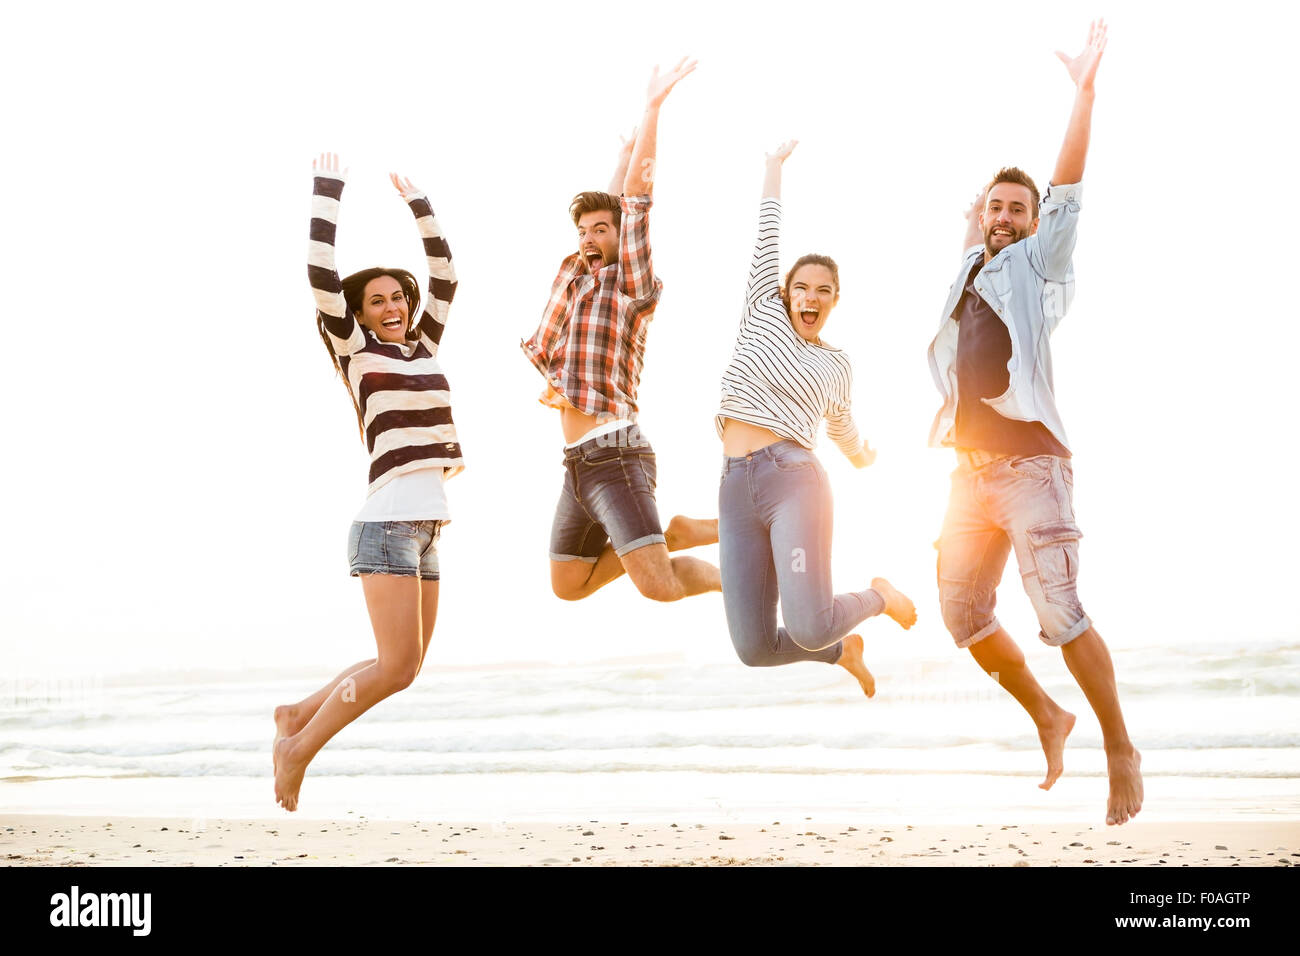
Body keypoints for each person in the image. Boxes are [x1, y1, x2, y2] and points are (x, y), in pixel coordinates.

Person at [927, 20, 1143, 825]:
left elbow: (1069, 188)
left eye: (1019, 207)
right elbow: (969, 230)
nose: (1007, 215)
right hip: (965, 477)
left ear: (1032, 217)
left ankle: (1120, 745)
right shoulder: (967, 268)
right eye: (997, 207)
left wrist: (1083, 92)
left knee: (1060, 614)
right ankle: (1050, 718)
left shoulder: (1036, 263)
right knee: (962, 617)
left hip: (1031, 471)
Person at [272, 152, 460, 812]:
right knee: (391, 667)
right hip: (385, 525)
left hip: (429, 525)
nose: (391, 306)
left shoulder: (424, 345)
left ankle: (296, 715)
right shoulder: (355, 350)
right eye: (376, 300)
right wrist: (329, 191)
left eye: (397, 297)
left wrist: (420, 205)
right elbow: (322, 275)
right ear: (360, 312)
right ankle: (298, 750)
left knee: (401, 671)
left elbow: (447, 274)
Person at [717, 141, 916, 695]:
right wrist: (773, 168)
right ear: (783, 293)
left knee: (806, 623)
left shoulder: (835, 362)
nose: (811, 296)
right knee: (754, 648)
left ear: (834, 302)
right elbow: (767, 235)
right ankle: (842, 651)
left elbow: (842, 426)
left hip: (794, 480)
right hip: (733, 488)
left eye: (823, 292)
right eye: (801, 287)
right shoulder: (762, 310)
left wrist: (863, 455)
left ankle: (880, 597)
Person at [521, 59, 721, 604]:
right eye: (581, 230)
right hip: (578, 466)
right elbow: (610, 208)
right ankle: (670, 535)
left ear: (621, 238)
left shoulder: (630, 284)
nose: (588, 238)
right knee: (568, 583)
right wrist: (618, 157)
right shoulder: (584, 277)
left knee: (660, 588)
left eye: (599, 231)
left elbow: (632, 203)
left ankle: (737, 582)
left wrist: (653, 109)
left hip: (616, 456)